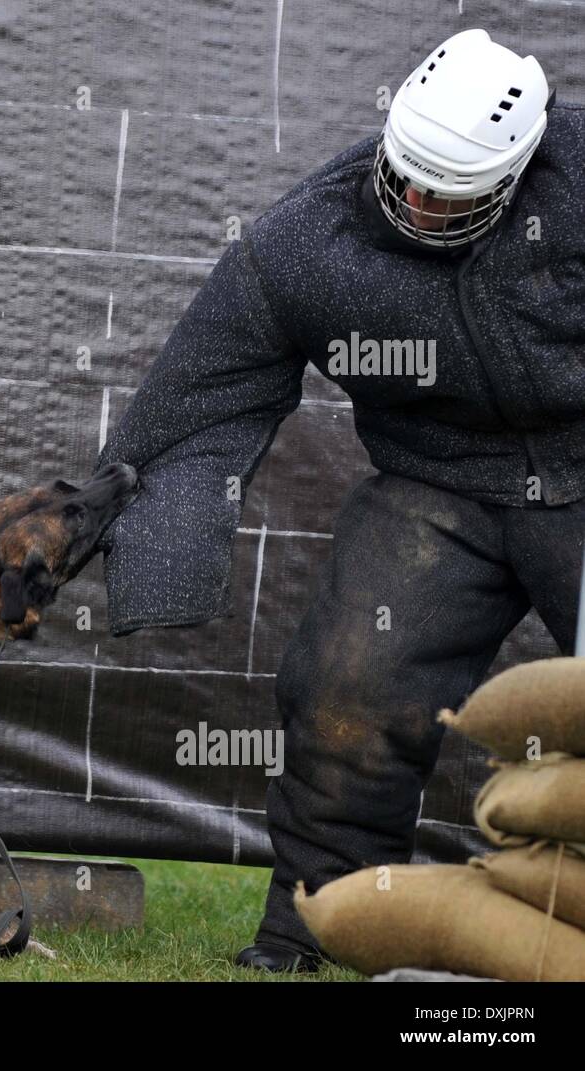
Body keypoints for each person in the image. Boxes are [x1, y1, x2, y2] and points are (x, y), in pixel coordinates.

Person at [96, 28, 585, 972]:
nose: (417, 205)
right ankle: (313, 925)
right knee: (343, 692)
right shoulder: (304, 243)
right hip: (438, 482)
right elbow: (201, 400)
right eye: (404, 178)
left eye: (451, 194)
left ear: (519, 172)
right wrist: (148, 556)